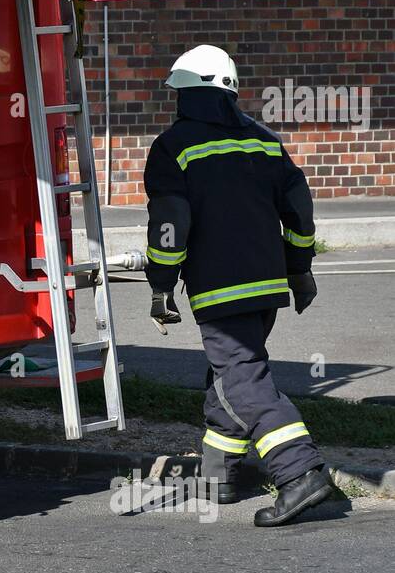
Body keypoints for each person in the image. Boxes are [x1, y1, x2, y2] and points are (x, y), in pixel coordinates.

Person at [143, 44, 334, 528]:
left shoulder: (173, 146)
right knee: (231, 370)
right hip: (268, 283)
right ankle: (219, 475)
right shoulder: (265, 140)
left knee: (241, 378)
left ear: (183, 94)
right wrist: (300, 268)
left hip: (218, 287)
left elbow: (171, 220)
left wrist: (161, 283)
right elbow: (300, 208)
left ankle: (300, 473)